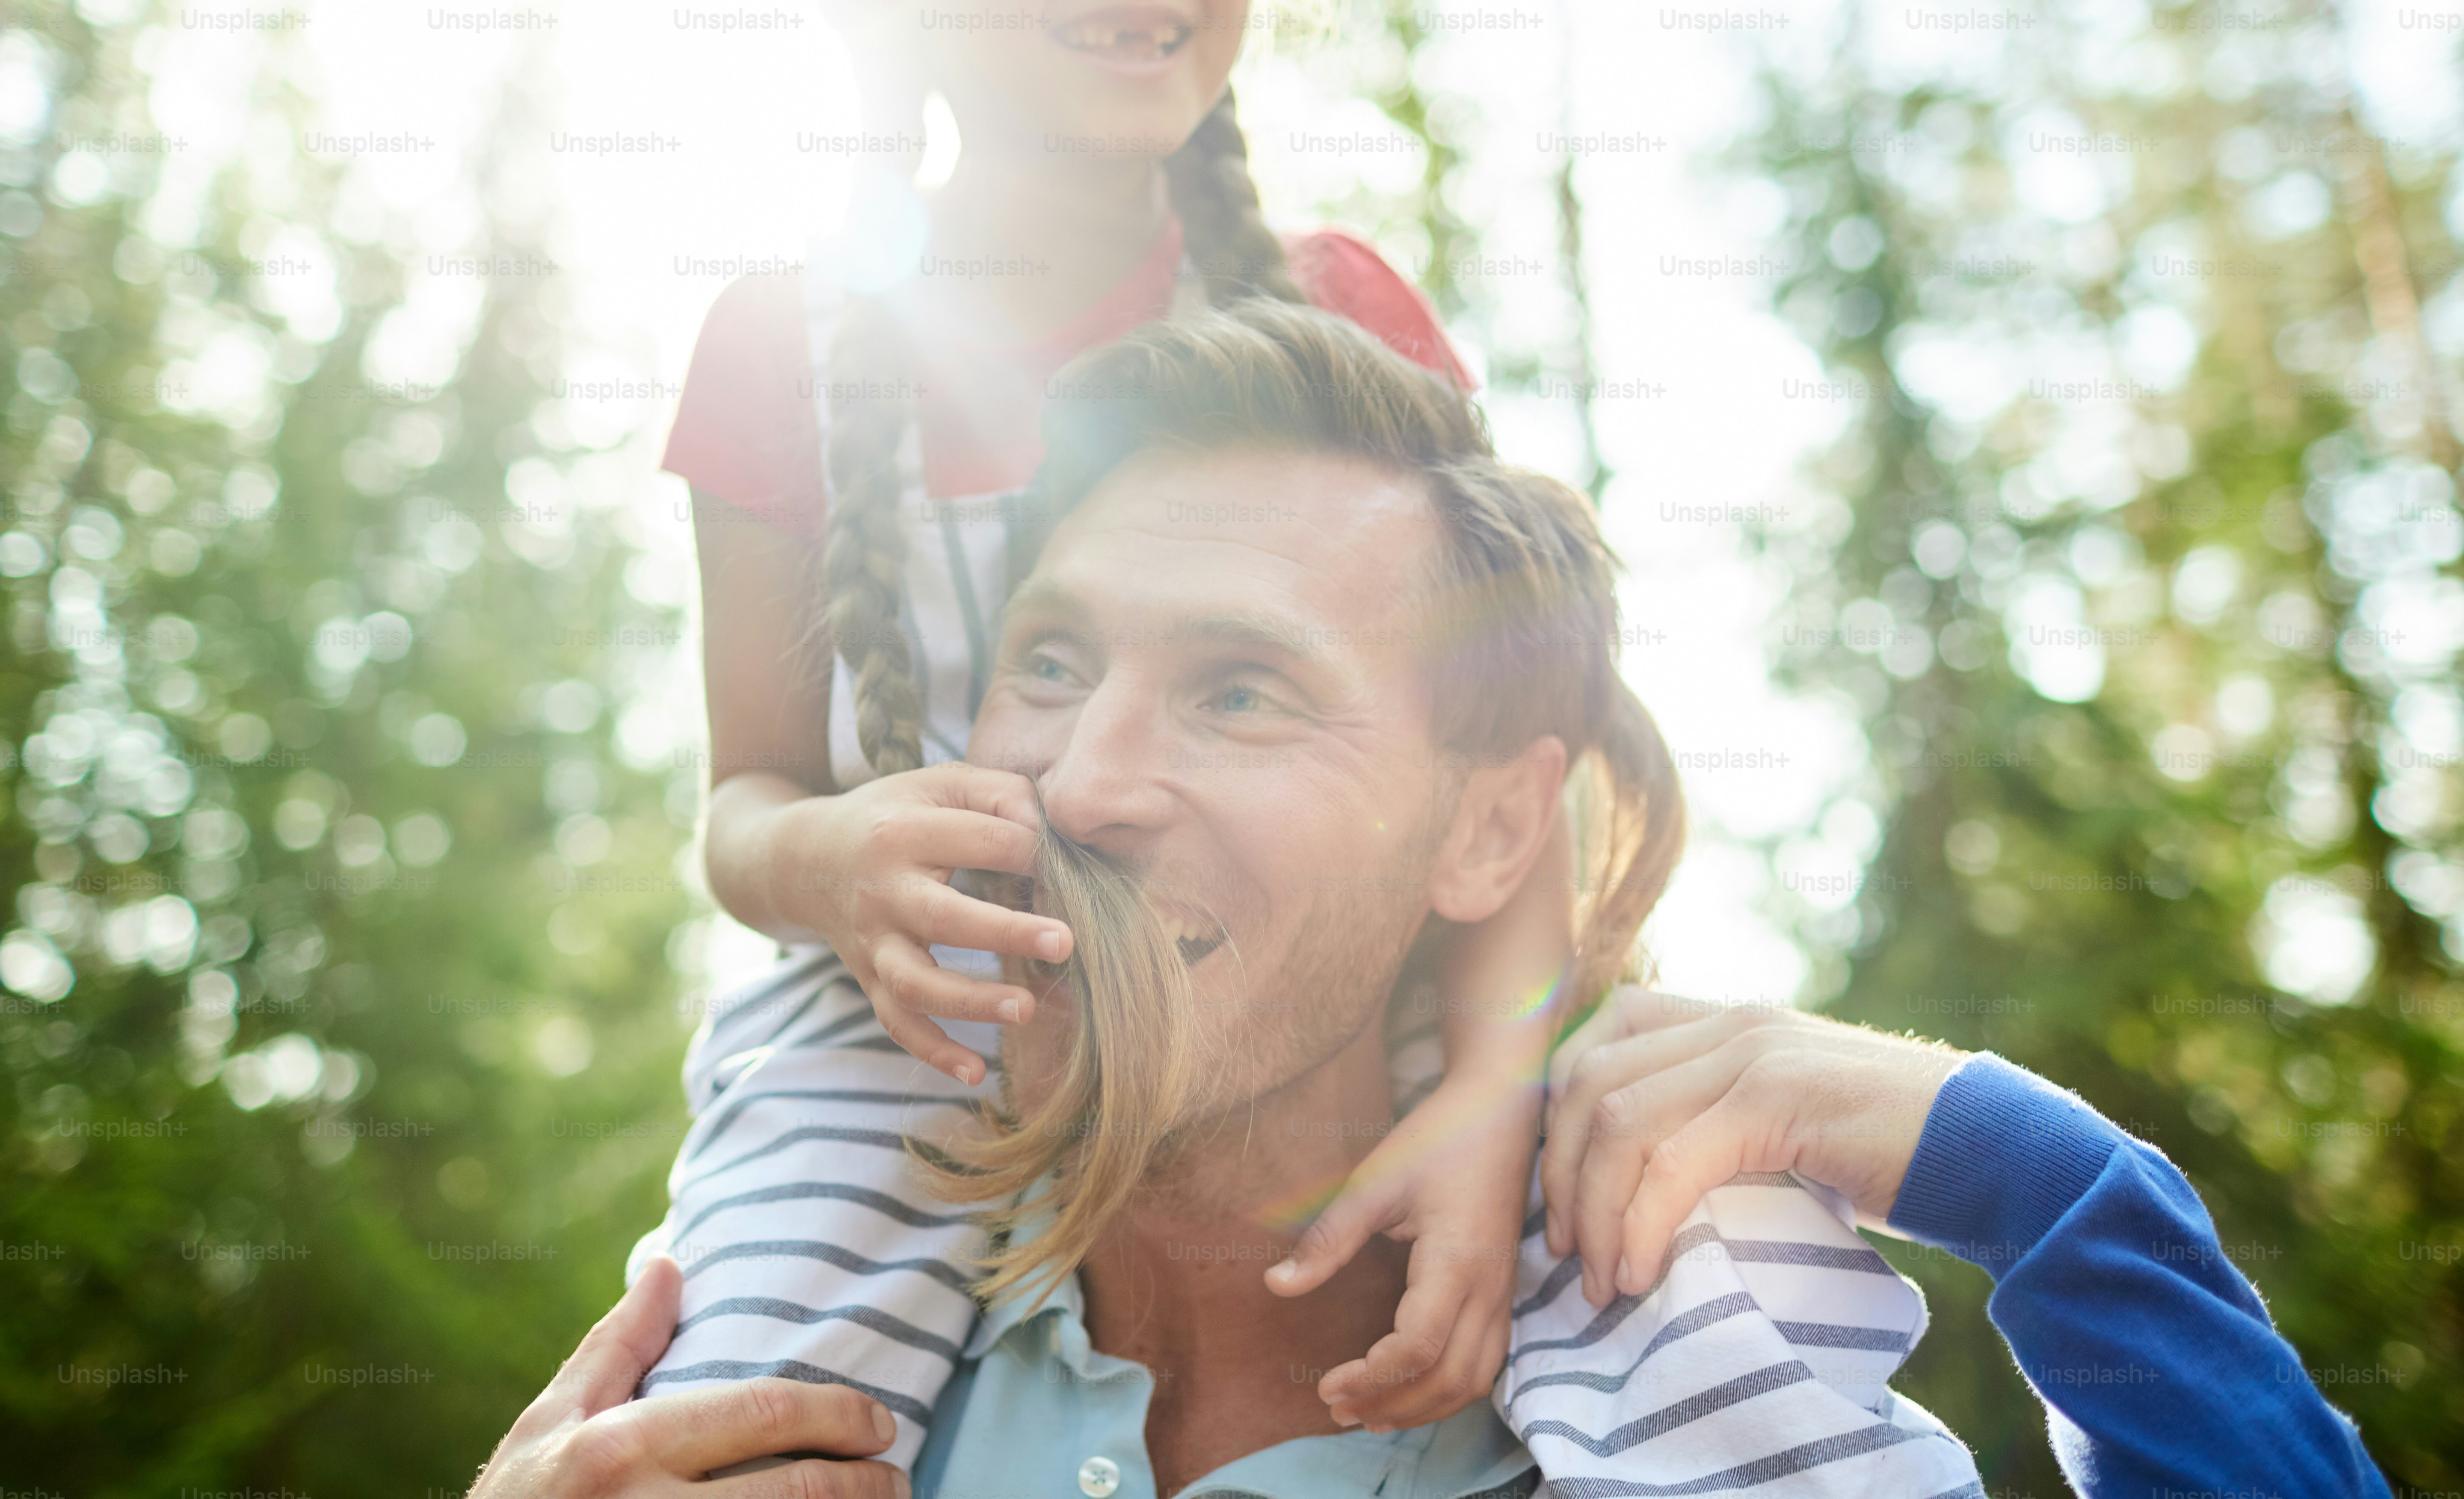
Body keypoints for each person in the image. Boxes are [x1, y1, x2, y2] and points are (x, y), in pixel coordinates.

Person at [471, 305, 2391, 1499]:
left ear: (1491, 837)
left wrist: (2049, 1188)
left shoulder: (1699, 1399)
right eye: (1051, 665)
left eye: (1242, 690)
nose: (1083, 783)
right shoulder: (774, 1374)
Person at [650, 0, 1567, 1447]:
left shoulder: (1334, 314)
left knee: (1651, 1274)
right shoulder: (778, 343)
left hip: (1321, 1007)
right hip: (908, 1033)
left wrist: (1495, 1104)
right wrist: (835, 860)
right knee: (755, 1427)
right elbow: (746, 800)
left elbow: (1507, 767)